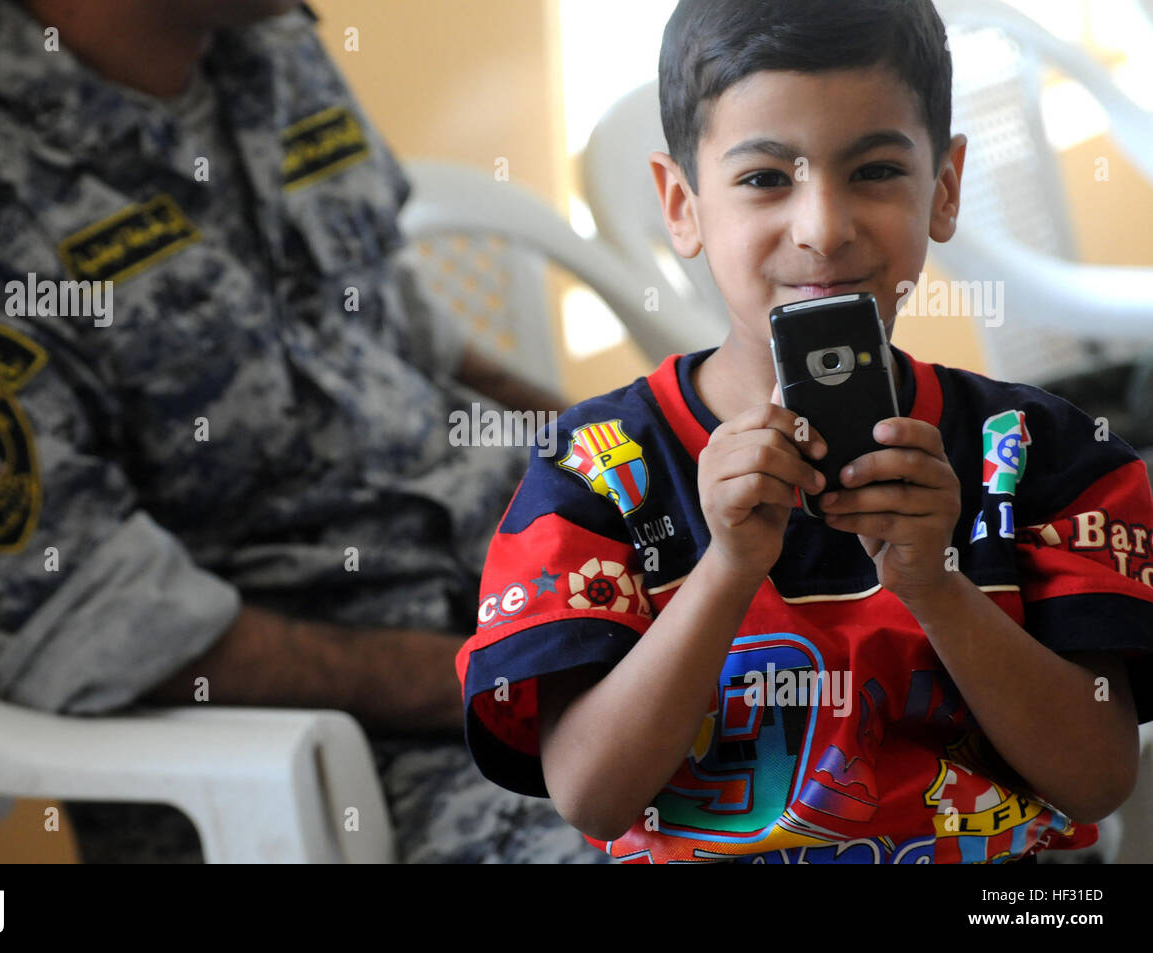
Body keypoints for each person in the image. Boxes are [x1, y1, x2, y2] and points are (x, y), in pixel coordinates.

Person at [0, 0, 606, 863]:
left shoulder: (269, 44)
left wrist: (627, 454)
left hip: (550, 607)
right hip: (352, 765)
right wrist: (502, 677)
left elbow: (401, 328)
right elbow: (115, 628)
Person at [456, 0, 1153, 864]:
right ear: (683, 203)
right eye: (764, 180)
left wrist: (937, 586)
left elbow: (1098, 777)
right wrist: (725, 568)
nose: (824, 228)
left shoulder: (1044, 454)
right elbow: (594, 797)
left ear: (943, 189)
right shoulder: (600, 473)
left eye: (874, 172)